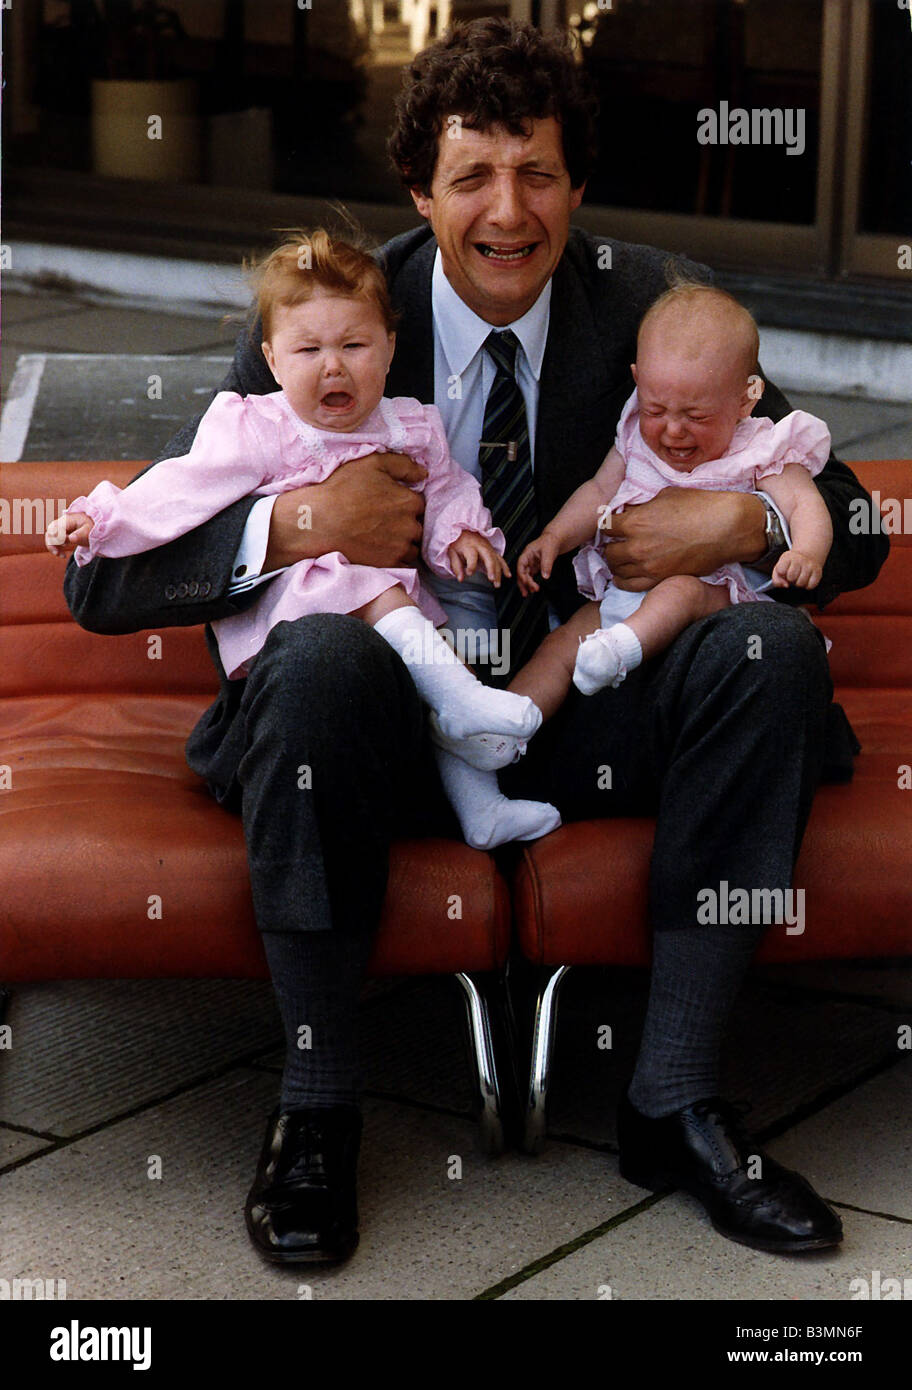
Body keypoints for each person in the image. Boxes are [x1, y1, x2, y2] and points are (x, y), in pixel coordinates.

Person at [63, 17, 888, 1264]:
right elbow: (105, 584)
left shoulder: (653, 305)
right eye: (472, 176)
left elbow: (859, 530)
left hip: (580, 714)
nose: (510, 211)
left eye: (539, 171)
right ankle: (320, 1107)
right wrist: (295, 525)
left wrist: (749, 510)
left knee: (763, 653)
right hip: (379, 725)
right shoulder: (332, 311)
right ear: (420, 191)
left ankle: (674, 1098)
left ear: (578, 186)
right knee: (324, 655)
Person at [45, 230, 560, 851]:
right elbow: (182, 489)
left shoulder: (410, 424)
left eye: (354, 345)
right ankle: (465, 702)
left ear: (390, 348)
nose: (333, 365)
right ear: (272, 358)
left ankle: (482, 809)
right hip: (307, 611)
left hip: (396, 638)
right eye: (308, 348)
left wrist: (463, 532)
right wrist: (102, 519)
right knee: (385, 610)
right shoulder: (258, 426)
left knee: (439, 662)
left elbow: (447, 488)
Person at [508, 282, 834, 718]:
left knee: (679, 592)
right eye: (656, 410)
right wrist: (554, 537)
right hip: (622, 597)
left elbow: (806, 504)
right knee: (562, 643)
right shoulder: (633, 436)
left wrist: (809, 551)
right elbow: (599, 493)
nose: (673, 430)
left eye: (696, 416)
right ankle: (503, 727)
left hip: (713, 600)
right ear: (637, 380)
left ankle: (620, 651)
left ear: (745, 399)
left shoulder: (758, 448)